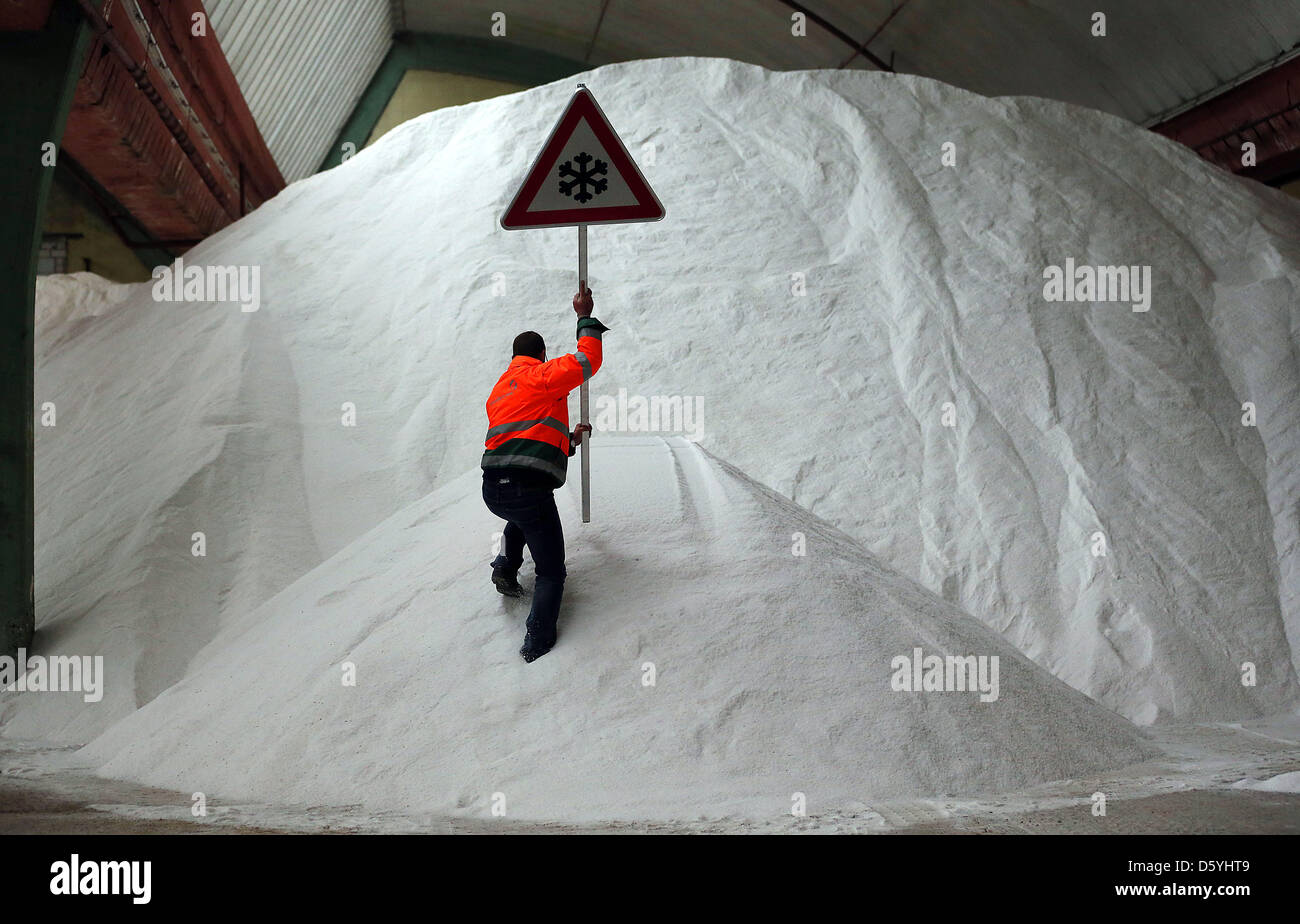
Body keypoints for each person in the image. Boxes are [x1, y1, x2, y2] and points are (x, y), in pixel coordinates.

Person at [481, 280, 608, 662]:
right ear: (541, 354)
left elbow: (527, 436)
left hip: (493, 488)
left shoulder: (501, 389)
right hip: (528, 487)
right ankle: (537, 641)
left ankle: (504, 565)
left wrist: (569, 441)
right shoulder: (541, 376)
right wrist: (584, 318)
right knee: (552, 570)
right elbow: (587, 362)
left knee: (520, 517)